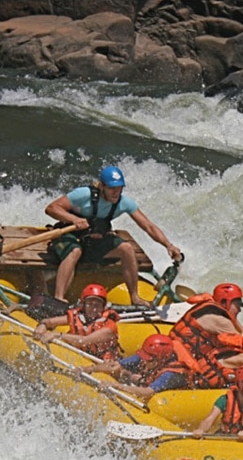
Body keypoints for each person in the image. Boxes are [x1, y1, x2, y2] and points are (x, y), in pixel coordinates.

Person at [45, 165, 183, 307]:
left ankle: (135, 297)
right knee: (75, 251)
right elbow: (51, 208)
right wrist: (73, 219)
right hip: (69, 234)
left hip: (93, 240)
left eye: (119, 188)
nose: (116, 193)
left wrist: (168, 245)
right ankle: (59, 298)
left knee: (127, 248)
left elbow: (148, 226)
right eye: (112, 188)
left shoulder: (124, 203)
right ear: (102, 186)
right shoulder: (82, 194)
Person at [169, 282, 243, 386]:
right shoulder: (221, 321)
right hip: (181, 364)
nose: (240, 310)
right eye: (237, 306)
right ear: (225, 302)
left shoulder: (206, 308)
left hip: (174, 351)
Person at [82, 333, 192, 402]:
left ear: (161, 360)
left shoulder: (171, 374)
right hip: (148, 381)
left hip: (166, 399)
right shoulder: (151, 353)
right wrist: (89, 369)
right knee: (124, 373)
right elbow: (115, 365)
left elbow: (148, 392)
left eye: (148, 359)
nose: (143, 360)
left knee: (135, 378)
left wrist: (117, 386)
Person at [32, 283, 123, 360]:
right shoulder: (77, 316)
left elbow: (83, 341)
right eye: (90, 304)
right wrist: (42, 325)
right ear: (83, 305)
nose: (93, 309)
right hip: (79, 356)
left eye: (97, 305)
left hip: (103, 361)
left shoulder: (109, 327)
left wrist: (57, 335)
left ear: (104, 307)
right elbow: (49, 322)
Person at [192, 364, 243, 440]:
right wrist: (201, 430)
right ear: (240, 384)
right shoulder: (225, 400)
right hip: (226, 439)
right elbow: (208, 421)